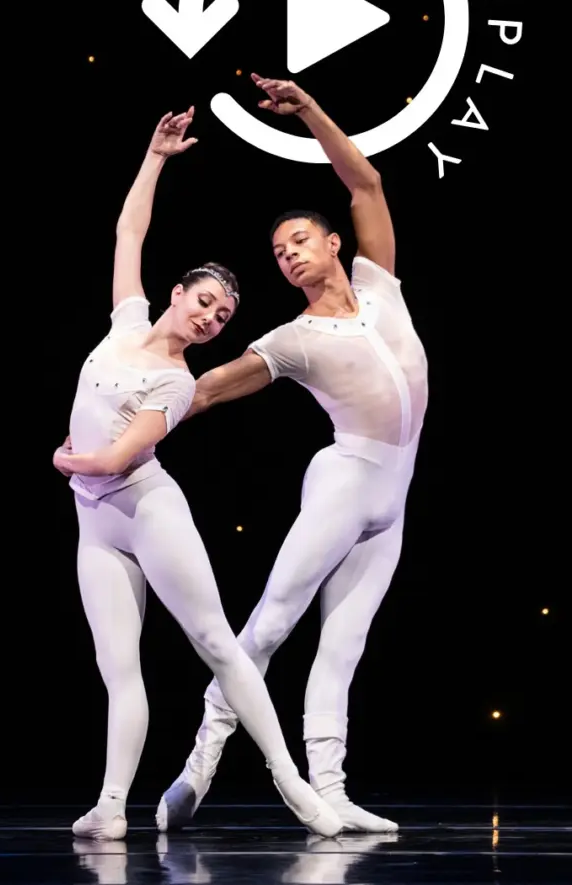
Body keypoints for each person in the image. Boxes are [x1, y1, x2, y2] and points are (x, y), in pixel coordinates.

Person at [53, 105, 343, 842]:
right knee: (118, 667)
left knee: (215, 640)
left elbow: (116, 457)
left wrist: (66, 458)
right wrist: (155, 157)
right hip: (96, 525)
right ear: (178, 294)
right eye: (206, 301)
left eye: (223, 317)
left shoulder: (180, 383)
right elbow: (129, 232)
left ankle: (293, 783)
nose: (212, 318)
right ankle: (111, 807)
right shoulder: (126, 321)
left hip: (147, 509)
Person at [159, 75, 429, 834]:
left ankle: (332, 789)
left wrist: (308, 109)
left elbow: (365, 182)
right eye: (278, 255)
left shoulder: (380, 283)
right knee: (273, 623)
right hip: (346, 480)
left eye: (299, 242)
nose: (288, 257)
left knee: (344, 643)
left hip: (394, 495)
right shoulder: (293, 339)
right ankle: (201, 760)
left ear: (333, 242)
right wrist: (123, 417)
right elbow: (206, 391)